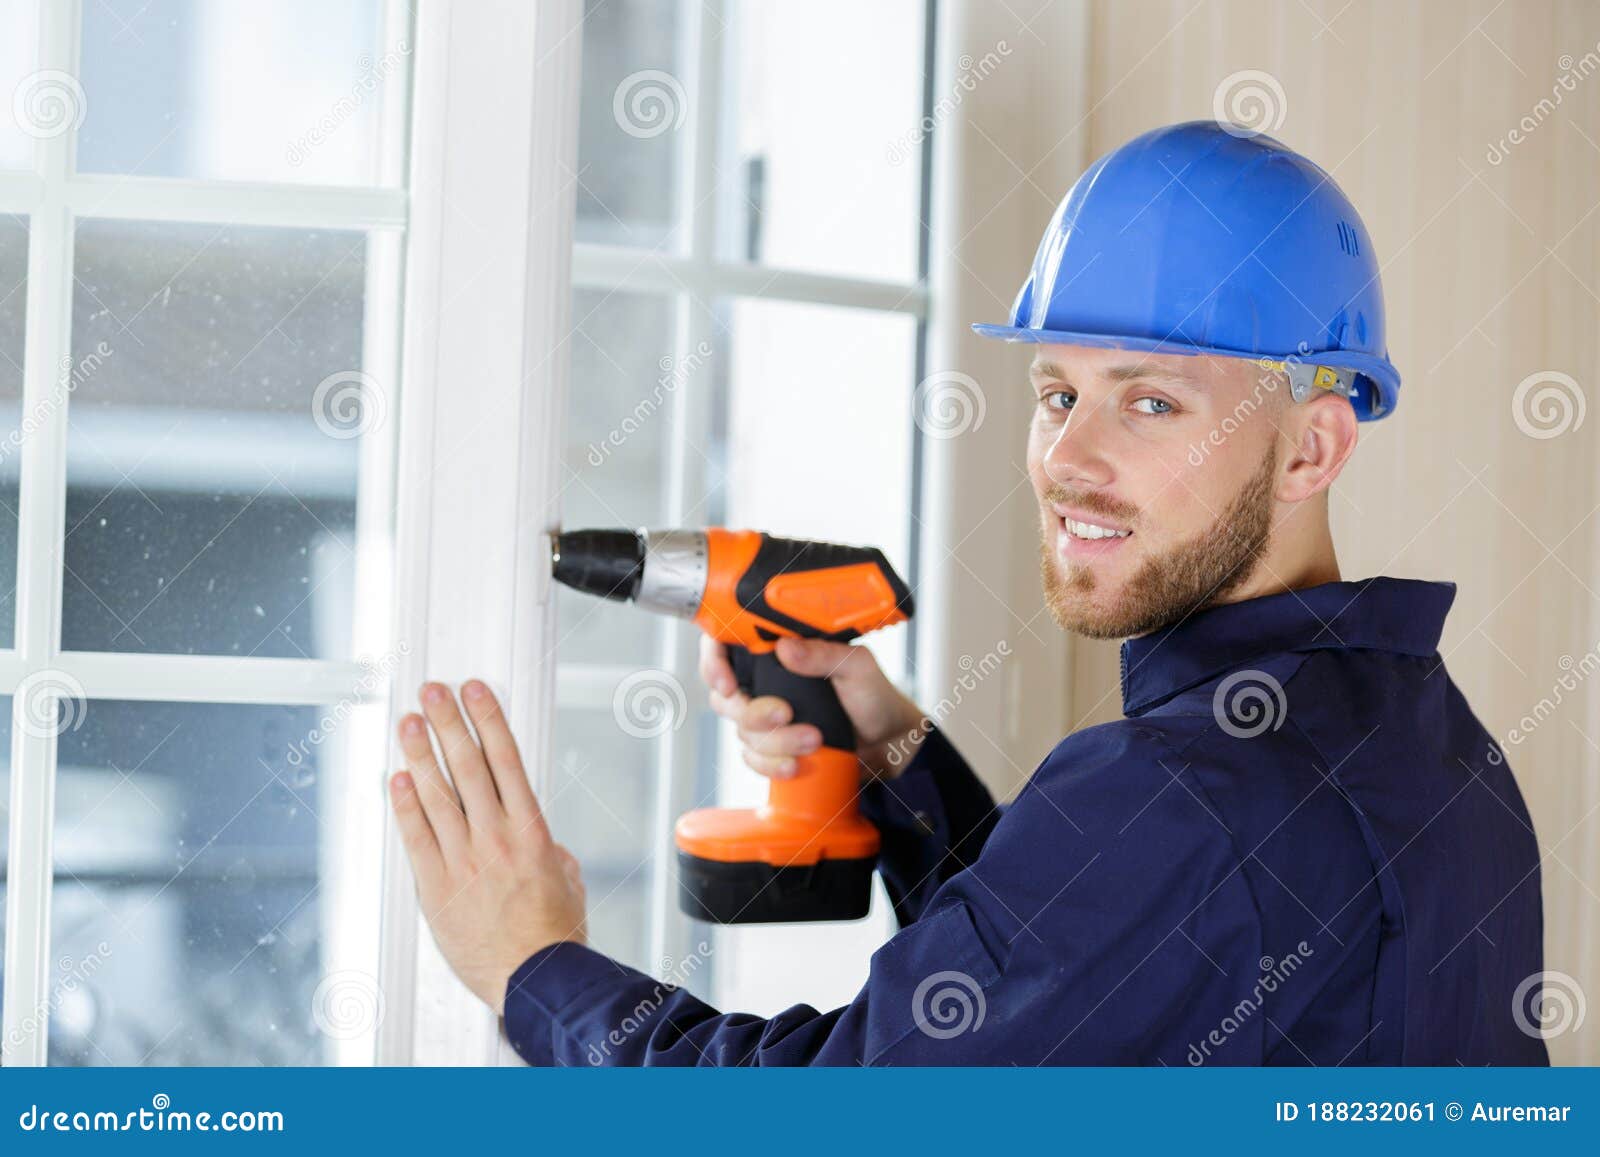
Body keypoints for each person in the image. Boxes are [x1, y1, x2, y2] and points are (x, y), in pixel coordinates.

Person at [387, 121, 1547, 1065]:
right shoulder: (1435, 745)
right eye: (1057, 393)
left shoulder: (1175, 791)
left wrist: (531, 964)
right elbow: (1073, 992)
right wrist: (892, 749)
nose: (1067, 459)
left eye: (1149, 402)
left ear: (1309, 449)